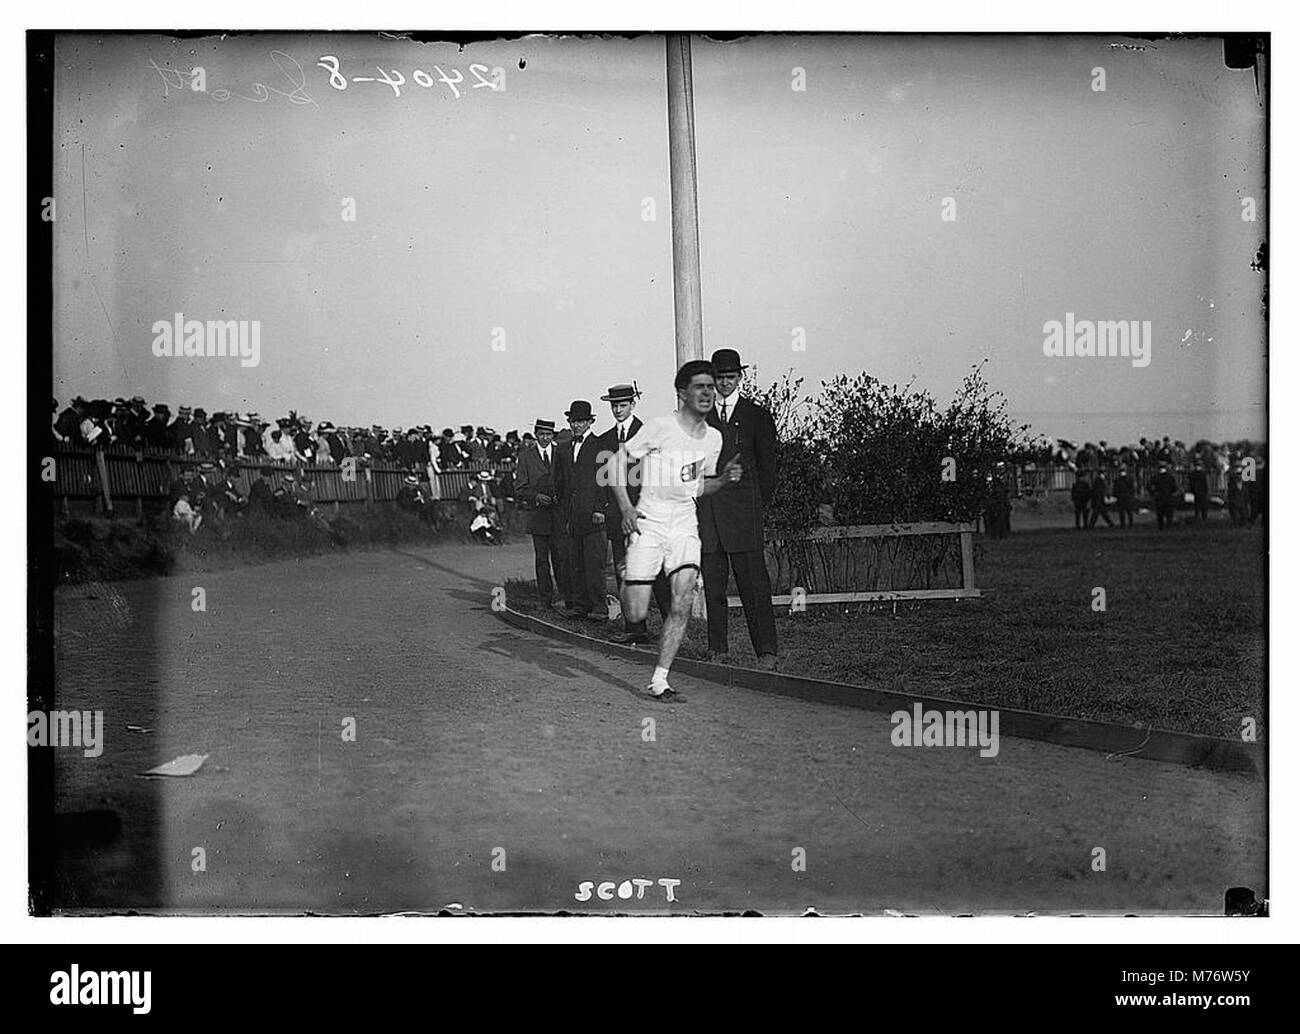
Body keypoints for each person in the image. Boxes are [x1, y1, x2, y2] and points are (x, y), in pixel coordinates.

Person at [609, 360, 742, 700]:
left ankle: (660, 679)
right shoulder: (660, 427)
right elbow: (615, 463)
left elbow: (696, 487)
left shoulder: (714, 438)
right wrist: (626, 508)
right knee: (636, 611)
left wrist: (722, 480)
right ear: (682, 393)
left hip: (684, 522)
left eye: (711, 387)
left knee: (681, 603)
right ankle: (627, 574)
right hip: (649, 520)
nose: (708, 393)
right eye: (700, 386)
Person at [695, 349, 779, 669]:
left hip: (745, 517)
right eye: (720, 378)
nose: (725, 383)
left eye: (731, 377)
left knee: (754, 587)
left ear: (740, 377)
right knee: (714, 587)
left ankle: (766, 651)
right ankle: (718, 649)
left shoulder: (756, 416)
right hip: (710, 517)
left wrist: (754, 507)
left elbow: (768, 471)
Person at [597, 384, 671, 643]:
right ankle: (635, 630)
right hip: (618, 516)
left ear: (633, 405)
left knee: (657, 573)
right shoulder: (605, 439)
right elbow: (603, 479)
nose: (618, 410)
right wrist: (607, 508)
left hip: (645, 517)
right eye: (614, 406)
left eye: (623, 405)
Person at [555, 400, 608, 620]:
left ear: (590, 422)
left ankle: (599, 608)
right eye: (573, 421)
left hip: (593, 514)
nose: (577, 425)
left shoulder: (599, 444)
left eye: (581, 421)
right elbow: (560, 480)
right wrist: (562, 508)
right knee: (575, 561)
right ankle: (580, 606)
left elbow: (604, 479)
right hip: (572, 514)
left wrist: (600, 508)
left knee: (594, 563)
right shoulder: (565, 448)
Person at [514, 418, 570, 610]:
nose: (545, 437)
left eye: (548, 434)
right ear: (536, 434)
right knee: (542, 560)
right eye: (541, 434)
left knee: (561, 558)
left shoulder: (560, 453)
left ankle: (564, 597)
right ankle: (545, 599)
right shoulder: (525, 457)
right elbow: (520, 488)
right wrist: (536, 496)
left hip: (558, 516)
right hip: (538, 516)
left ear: (553, 435)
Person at [1150, 461, 1179, 530]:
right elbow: (1174, 487)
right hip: (1168, 496)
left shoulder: (1155, 477)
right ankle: (1169, 525)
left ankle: (1161, 526)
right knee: (1169, 513)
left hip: (1159, 497)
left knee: (1160, 513)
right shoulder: (1170, 477)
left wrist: (1153, 493)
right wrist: (1172, 492)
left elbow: (1149, 486)